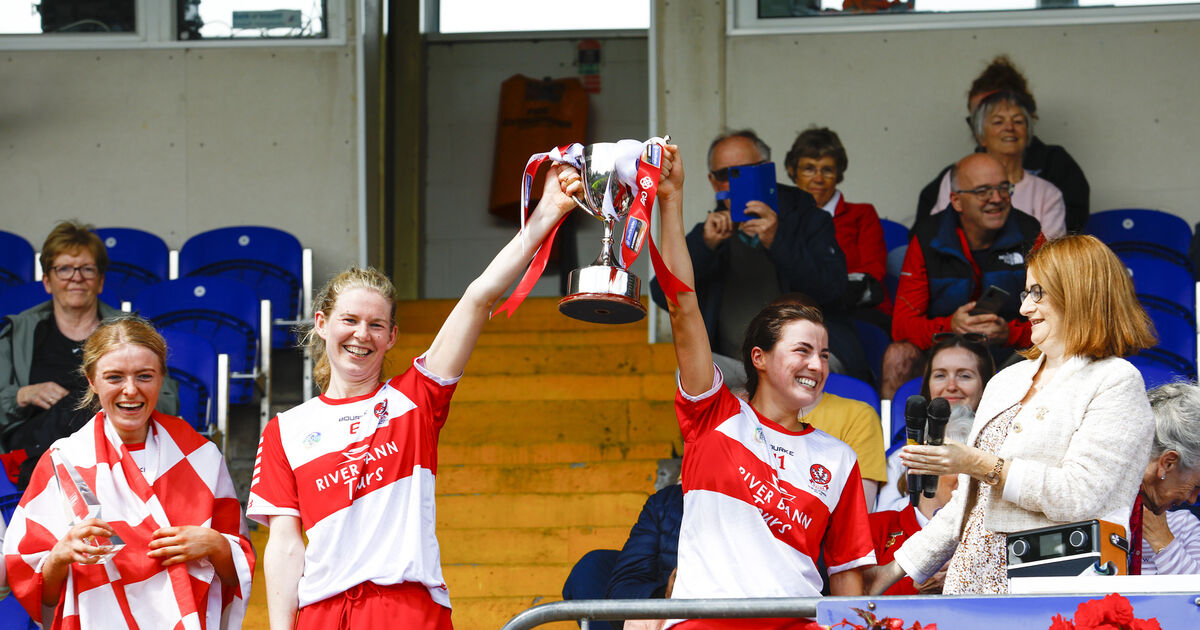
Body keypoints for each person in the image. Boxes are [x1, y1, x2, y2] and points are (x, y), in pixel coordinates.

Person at [247, 164, 583, 629]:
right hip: (322, 615)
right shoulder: (285, 429)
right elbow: (285, 546)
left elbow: (477, 299)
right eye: (349, 320)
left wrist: (544, 216)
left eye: (376, 325)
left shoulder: (416, 398)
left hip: (405, 610)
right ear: (322, 325)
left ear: (391, 337)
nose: (361, 335)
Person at [657, 142, 875, 628]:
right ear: (758, 358)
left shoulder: (839, 458)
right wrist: (671, 200)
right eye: (801, 350)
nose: (817, 364)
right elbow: (681, 305)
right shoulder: (713, 416)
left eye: (822, 353)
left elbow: (845, 579)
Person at [871, 234, 1157, 595]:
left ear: (1079, 294)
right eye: (1026, 294)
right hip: (970, 588)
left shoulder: (1115, 381)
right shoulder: (1007, 380)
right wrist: (895, 569)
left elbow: (1079, 496)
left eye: (1038, 293)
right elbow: (967, 505)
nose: (1024, 309)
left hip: (1057, 592)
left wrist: (978, 463)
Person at [2, 316, 253, 628]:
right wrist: (59, 556)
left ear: (162, 377)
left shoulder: (201, 456)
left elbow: (236, 576)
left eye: (144, 376)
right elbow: (40, 595)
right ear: (91, 380)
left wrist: (216, 546)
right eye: (114, 377)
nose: (130, 390)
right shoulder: (63, 461)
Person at [650, 129, 873, 388]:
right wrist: (705, 246)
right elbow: (662, 294)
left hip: (809, 360)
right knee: (691, 372)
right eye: (726, 175)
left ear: (767, 170)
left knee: (783, 376)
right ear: (713, 182)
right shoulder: (711, 232)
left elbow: (833, 290)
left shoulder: (806, 213)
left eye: (746, 171)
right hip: (739, 368)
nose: (735, 183)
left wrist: (776, 241)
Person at [0, 221, 177, 488]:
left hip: (112, 446)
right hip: (33, 442)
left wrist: (114, 398)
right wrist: (22, 396)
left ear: (101, 281)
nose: (76, 277)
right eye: (64, 269)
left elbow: (166, 401)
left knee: (83, 402)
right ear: (47, 281)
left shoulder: (129, 331)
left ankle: (48, 472)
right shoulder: (17, 332)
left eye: (87, 269)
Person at [880, 153, 1043, 399]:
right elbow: (902, 326)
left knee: (1056, 351)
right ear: (956, 201)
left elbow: (1056, 320)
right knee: (898, 355)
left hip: (1011, 353)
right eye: (983, 191)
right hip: (943, 352)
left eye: (1003, 188)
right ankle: (902, 436)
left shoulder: (1029, 232)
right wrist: (951, 327)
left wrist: (1009, 333)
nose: (997, 199)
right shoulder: (928, 237)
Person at [914, 55, 1089, 233]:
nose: (1009, 128)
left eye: (1017, 119)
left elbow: (1068, 235)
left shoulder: (1053, 169)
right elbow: (928, 236)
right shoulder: (956, 176)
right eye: (995, 120)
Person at [876, 332, 995, 511]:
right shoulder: (901, 458)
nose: (951, 386)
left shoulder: (1003, 452)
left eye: (965, 376)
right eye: (940, 375)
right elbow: (886, 520)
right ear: (928, 385)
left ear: (985, 386)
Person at [922, 90, 1067, 239]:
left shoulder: (1048, 194)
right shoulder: (957, 179)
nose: (1010, 128)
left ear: (1028, 134)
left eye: (1018, 121)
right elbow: (936, 235)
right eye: (998, 122)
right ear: (981, 136)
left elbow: (1050, 257)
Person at [784, 127, 889, 326]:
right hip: (798, 315)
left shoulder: (862, 214)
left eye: (827, 170)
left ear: (838, 174)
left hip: (855, 312)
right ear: (793, 171)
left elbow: (874, 271)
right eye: (809, 168)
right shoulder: (781, 219)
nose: (818, 178)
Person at [867, 405, 973, 596]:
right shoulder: (875, 528)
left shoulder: (989, 535)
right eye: (957, 466)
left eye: (973, 468)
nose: (968, 478)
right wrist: (913, 588)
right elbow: (851, 607)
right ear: (923, 465)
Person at [1134, 382, 1200, 575]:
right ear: (1168, 463)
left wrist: (1161, 538)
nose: (1192, 500)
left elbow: (1196, 600)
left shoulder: (1184, 526)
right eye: (1195, 486)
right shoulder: (1093, 510)